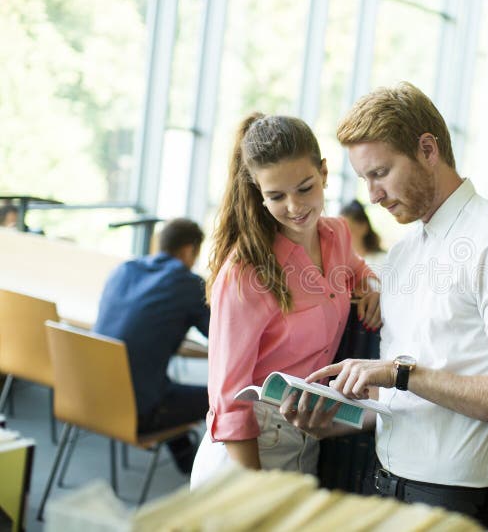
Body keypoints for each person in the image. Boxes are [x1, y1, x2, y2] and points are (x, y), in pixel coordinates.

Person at [283, 82, 488, 527]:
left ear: (428, 149)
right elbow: (397, 396)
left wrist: (398, 372)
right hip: (387, 482)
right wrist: (331, 420)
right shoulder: (405, 254)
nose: (372, 195)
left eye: (381, 172)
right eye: (364, 178)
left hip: (455, 500)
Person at [190, 114, 381, 488]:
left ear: (324, 173)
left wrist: (370, 284)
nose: (295, 206)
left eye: (305, 188)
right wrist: (255, 486)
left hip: (303, 440)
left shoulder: (338, 235)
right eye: (277, 196)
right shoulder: (247, 271)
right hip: (247, 453)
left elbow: (358, 269)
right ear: (259, 193)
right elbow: (229, 398)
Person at [94, 218, 210, 474]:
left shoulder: (124, 269)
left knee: (161, 384)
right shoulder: (189, 285)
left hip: (89, 397)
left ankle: (185, 461)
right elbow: (222, 337)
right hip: (136, 411)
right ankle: (198, 474)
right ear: (190, 250)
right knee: (220, 397)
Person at [339, 199, 386, 267]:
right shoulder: (341, 265)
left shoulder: (383, 261)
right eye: (339, 230)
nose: (341, 236)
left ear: (363, 228)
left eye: (347, 230)